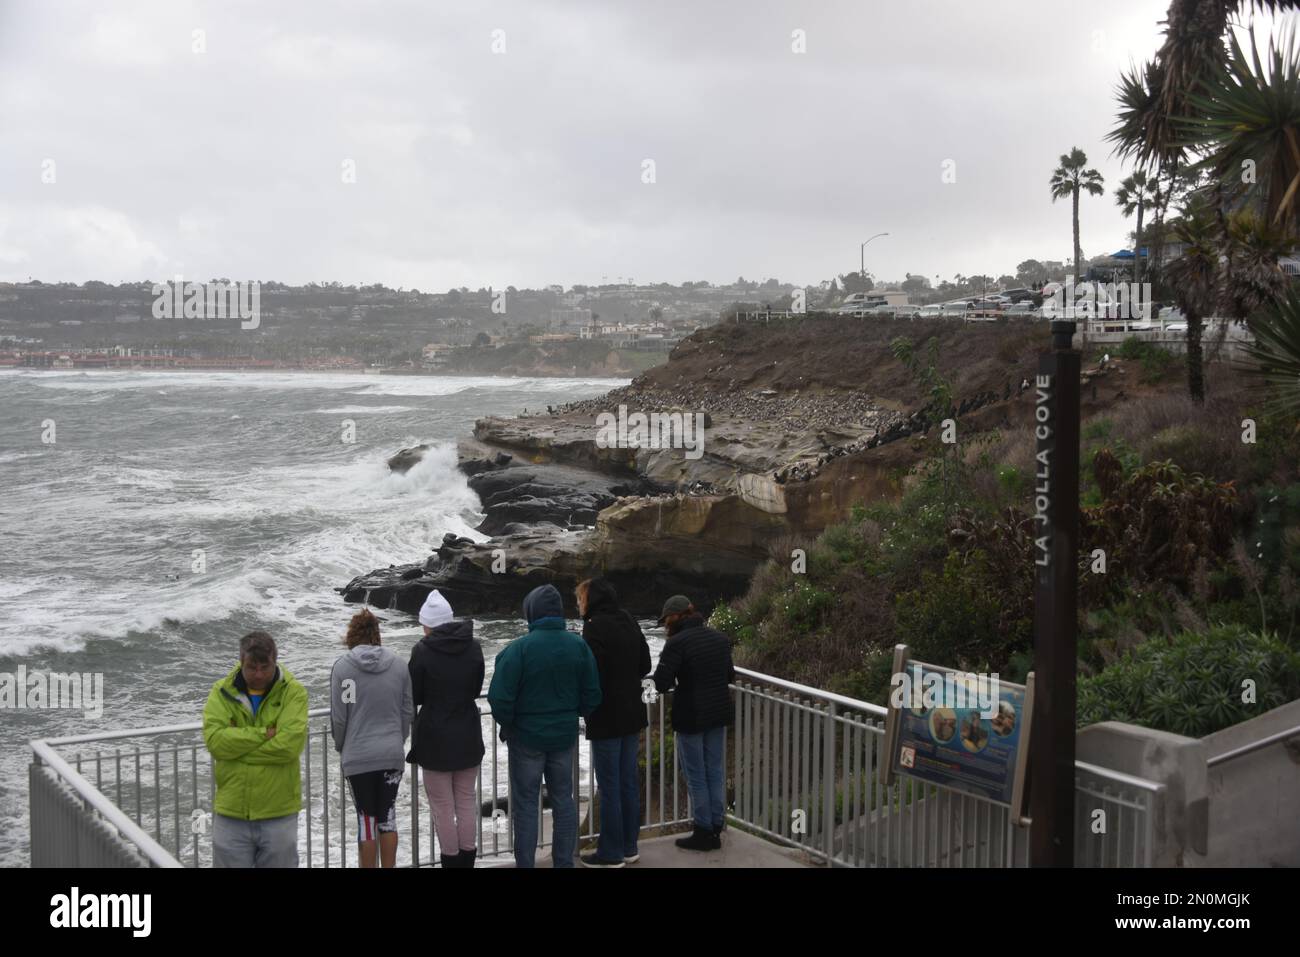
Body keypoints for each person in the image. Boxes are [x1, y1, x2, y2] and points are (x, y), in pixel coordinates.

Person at [488, 584, 601, 868]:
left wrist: (510, 724)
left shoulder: (518, 650)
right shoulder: (578, 645)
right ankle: (564, 863)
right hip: (563, 736)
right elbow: (593, 694)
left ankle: (525, 864)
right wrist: (575, 714)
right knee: (564, 799)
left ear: (532, 613)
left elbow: (499, 698)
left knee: (526, 806)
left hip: (526, 738)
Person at [203, 630, 309, 867]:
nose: (259, 674)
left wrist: (238, 748)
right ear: (241, 662)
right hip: (232, 812)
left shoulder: (294, 692)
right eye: (252, 667)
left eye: (265, 666)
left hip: (278, 812)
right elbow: (216, 742)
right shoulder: (221, 692)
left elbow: (288, 747)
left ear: (275, 661)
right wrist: (264, 734)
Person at [576, 578, 652, 868]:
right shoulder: (628, 619)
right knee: (627, 782)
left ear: (591, 600)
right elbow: (645, 664)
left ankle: (610, 853)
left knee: (609, 787)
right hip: (632, 712)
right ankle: (629, 847)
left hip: (606, 716)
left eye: (580, 599)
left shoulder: (594, 626)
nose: (578, 605)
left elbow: (592, 672)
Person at [330, 608, 413, 868]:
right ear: (377, 634)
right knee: (388, 819)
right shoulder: (399, 665)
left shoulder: (342, 668)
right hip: (391, 753)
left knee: (367, 822)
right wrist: (396, 741)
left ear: (351, 636)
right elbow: (407, 710)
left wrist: (343, 746)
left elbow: (339, 717)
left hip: (358, 756)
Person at [408, 589, 485, 869]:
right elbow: (476, 689)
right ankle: (468, 861)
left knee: (442, 807)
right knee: (466, 801)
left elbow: (414, 695)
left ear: (428, 623)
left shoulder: (422, 651)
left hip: (434, 738)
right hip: (467, 733)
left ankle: (450, 862)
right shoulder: (474, 646)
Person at [653, 595, 735, 852]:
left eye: (666, 620)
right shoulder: (719, 639)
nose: (665, 625)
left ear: (676, 617)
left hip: (691, 716)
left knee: (696, 775)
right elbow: (729, 675)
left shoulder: (677, 643)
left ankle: (702, 830)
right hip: (718, 713)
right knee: (715, 771)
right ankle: (716, 826)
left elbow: (661, 683)